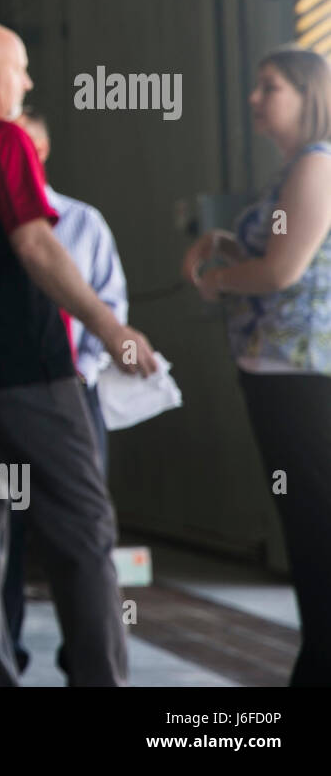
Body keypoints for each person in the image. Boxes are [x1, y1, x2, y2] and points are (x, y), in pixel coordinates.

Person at [0, 20, 158, 687]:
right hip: (28, 377)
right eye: (21, 68)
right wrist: (110, 327)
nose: (29, 81)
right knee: (85, 532)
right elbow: (36, 244)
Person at [181, 46, 331, 686]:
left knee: (315, 530)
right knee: (308, 529)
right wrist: (225, 240)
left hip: (300, 379)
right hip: (284, 377)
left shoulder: (315, 166)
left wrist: (218, 280)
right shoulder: (297, 170)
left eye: (269, 86)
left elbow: (281, 269)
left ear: (308, 96)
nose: (254, 98)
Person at [3, 106, 128, 676]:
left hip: (75, 398)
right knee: (2, 538)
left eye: (24, 146)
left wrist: (81, 373)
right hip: (4, 397)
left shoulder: (83, 223)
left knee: (81, 539)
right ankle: (7, 660)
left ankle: (87, 667)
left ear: (42, 153)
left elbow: (112, 309)